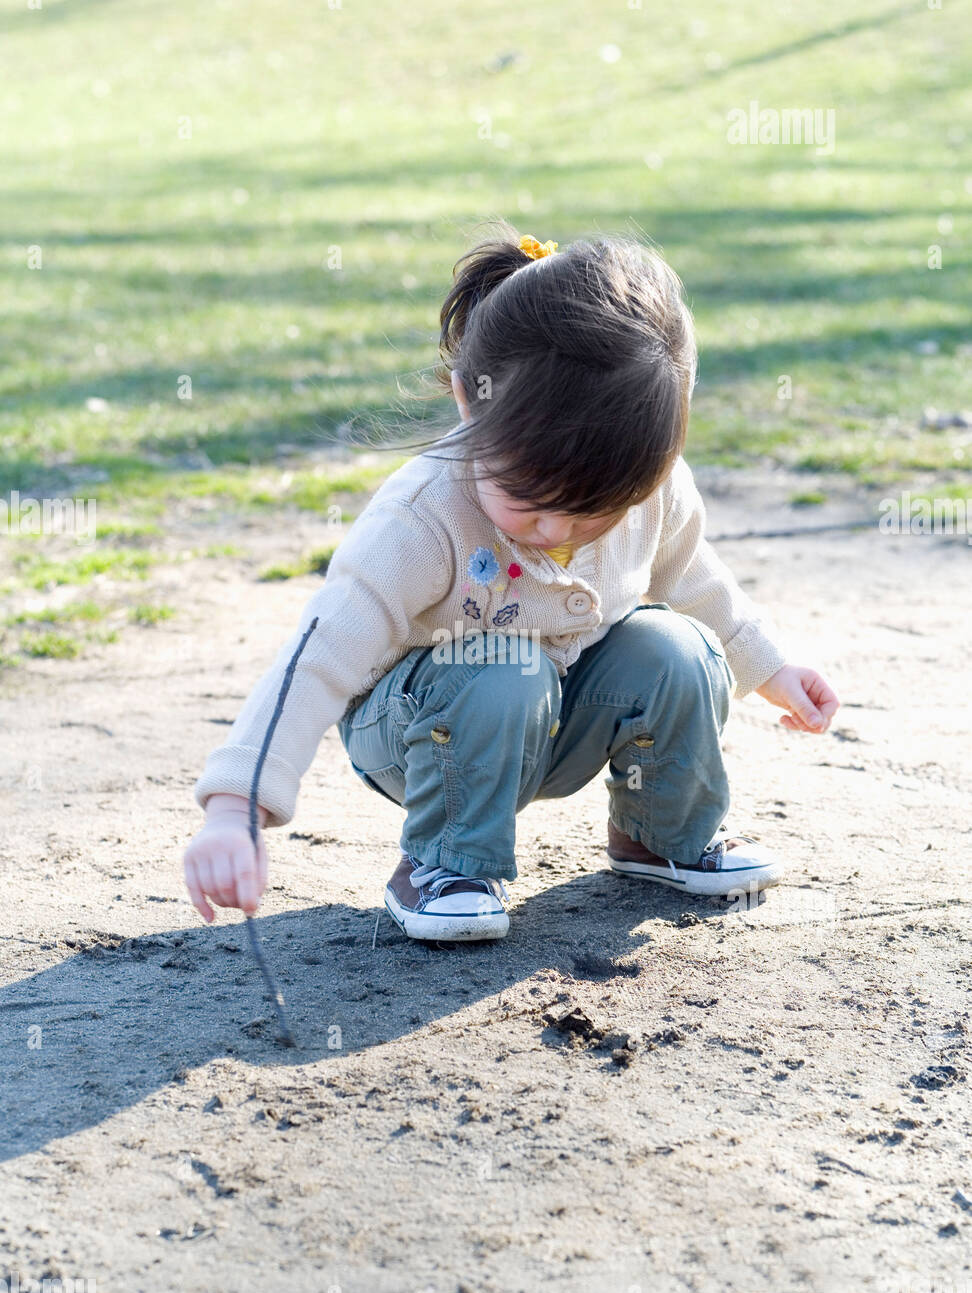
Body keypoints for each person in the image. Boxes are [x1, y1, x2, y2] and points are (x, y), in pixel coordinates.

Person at [184, 224, 839, 943]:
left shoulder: (646, 486)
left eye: (593, 513)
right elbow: (318, 654)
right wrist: (236, 810)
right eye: (528, 499)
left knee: (676, 646)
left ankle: (659, 836)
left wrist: (771, 668)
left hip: (553, 719)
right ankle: (444, 865)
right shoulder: (421, 518)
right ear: (470, 401)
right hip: (417, 730)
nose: (554, 532)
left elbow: (697, 579)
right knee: (501, 661)